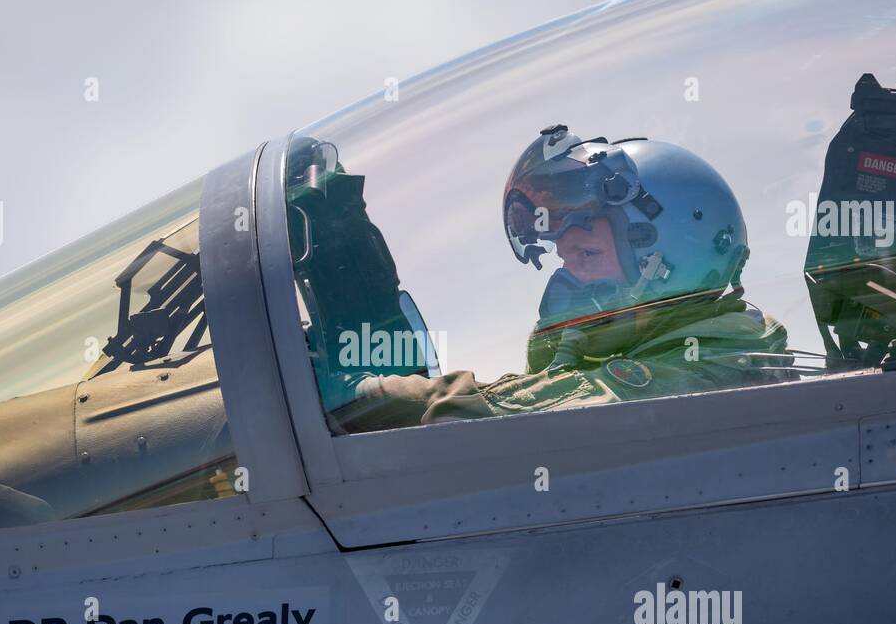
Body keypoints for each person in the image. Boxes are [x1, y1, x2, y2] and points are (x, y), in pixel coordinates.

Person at [329, 128, 795, 433]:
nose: (566, 257)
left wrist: (350, 393)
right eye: (566, 252)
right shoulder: (668, 348)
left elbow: (489, 420)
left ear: (668, 243)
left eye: (586, 247)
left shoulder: (706, 368)